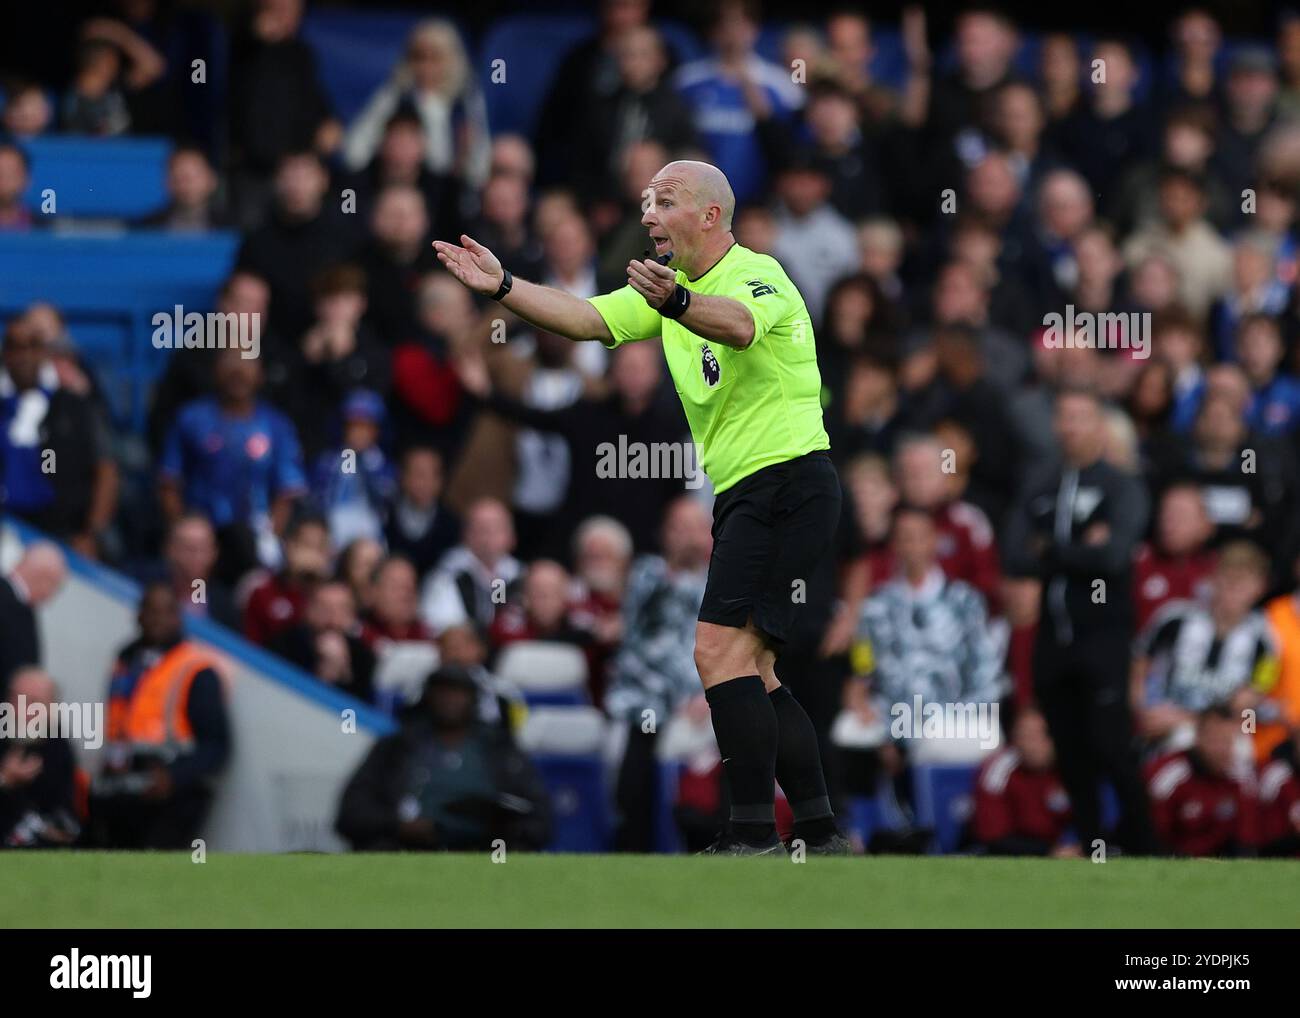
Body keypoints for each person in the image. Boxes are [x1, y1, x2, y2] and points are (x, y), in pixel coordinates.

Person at [435, 157, 845, 854]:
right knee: (756, 669)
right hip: (756, 489)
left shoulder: (756, 273)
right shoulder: (673, 291)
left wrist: (678, 306)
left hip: (785, 481)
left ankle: (751, 837)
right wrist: (503, 285)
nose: (649, 214)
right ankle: (820, 833)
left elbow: (741, 327)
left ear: (711, 215)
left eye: (667, 201)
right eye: (646, 201)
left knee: (716, 652)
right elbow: (588, 318)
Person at [1004, 387, 1155, 854]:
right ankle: (1094, 844)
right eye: (1064, 417)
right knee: (1070, 753)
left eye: (1081, 417)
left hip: (1103, 637)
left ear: (1100, 427)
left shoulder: (1120, 485)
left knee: (1110, 745)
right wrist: (1077, 548)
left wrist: (1050, 548)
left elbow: (1112, 556)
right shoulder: (1041, 483)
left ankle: (1147, 842)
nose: (1070, 427)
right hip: (1053, 640)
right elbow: (1013, 554)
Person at [335, 665, 551, 851]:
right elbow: (351, 814)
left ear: (473, 698)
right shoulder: (396, 746)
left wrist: (500, 828)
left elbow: (540, 819)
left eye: (458, 692)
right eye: (442, 692)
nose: (449, 699)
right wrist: (398, 826)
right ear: (428, 696)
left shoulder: (500, 748)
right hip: (404, 852)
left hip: (482, 856)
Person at [91, 582, 231, 848]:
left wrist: (174, 777)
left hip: (171, 789)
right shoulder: (126, 658)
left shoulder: (196, 668)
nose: (157, 619)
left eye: (166, 611)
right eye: (150, 611)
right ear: (138, 614)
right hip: (122, 784)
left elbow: (217, 745)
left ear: (177, 617)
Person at [1145, 705, 1258, 857]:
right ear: (1199, 738)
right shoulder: (1168, 774)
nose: (1222, 749)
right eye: (1215, 740)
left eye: (1227, 741)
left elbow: (1246, 842)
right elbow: (1151, 837)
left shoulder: (1241, 779)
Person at [970, 708, 1075, 857]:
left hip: (1056, 850)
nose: (1032, 746)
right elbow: (992, 838)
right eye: (1024, 737)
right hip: (1003, 855)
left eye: (1039, 736)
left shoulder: (1070, 770)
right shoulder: (998, 770)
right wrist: (1050, 852)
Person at [0, 667, 79, 848]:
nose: (19, 710)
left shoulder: (56, 747)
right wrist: (4, 779)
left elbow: (64, 814)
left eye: (32, 702)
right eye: (14, 698)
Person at [0, 542, 66, 695]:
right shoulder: (17, 610)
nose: (50, 597)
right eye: (55, 587)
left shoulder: (24, 609)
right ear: (45, 579)